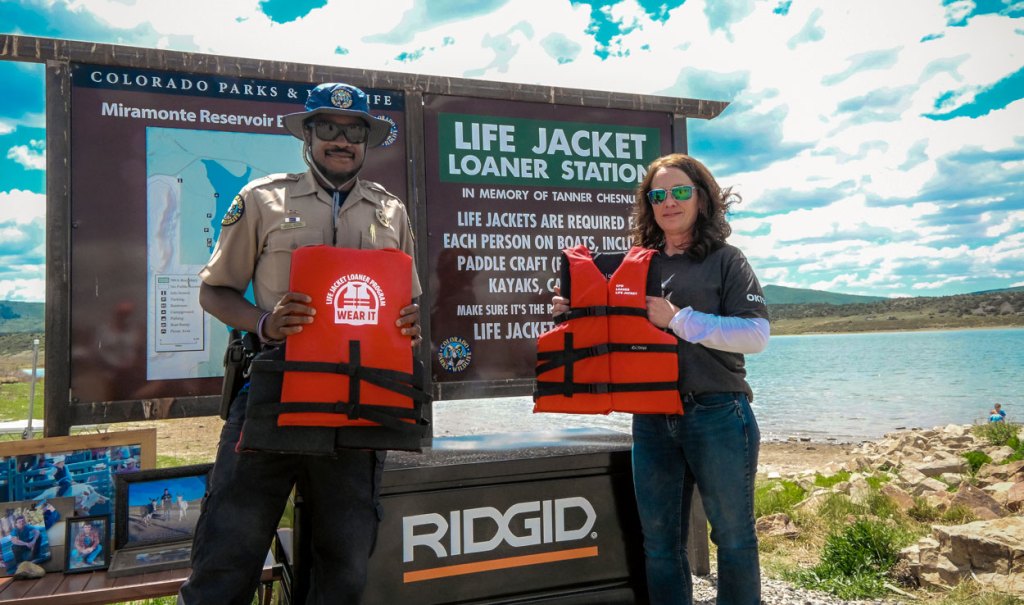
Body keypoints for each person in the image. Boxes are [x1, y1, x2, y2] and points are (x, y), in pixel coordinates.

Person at [178, 82, 422, 605]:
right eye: (329, 128)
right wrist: (264, 322)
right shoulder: (262, 199)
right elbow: (213, 290)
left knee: (345, 564)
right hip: (274, 388)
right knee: (228, 553)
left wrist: (407, 325)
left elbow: (406, 301)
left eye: (354, 130)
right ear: (308, 134)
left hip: (362, 399)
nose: (342, 139)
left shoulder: (391, 212)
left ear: (366, 141)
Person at [552, 153, 769, 604]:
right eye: (658, 195)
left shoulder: (726, 260)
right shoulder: (636, 264)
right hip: (651, 418)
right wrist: (576, 314)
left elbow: (755, 334)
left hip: (717, 412)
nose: (669, 202)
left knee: (733, 538)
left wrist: (679, 319)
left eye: (680, 192)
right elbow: (611, 328)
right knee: (660, 544)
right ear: (648, 205)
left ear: (703, 198)